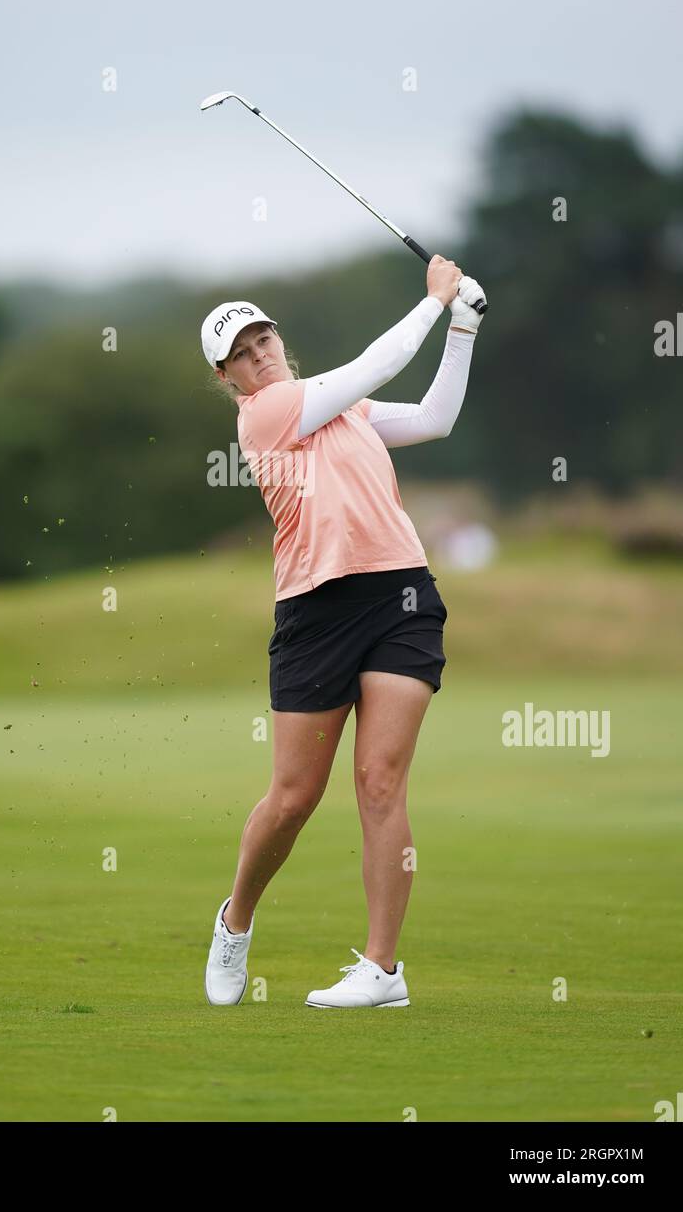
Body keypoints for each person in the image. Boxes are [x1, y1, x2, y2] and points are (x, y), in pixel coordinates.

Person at [199, 256, 487, 1008]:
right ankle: (235, 920)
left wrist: (463, 327)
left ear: (279, 340)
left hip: (400, 596)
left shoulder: (346, 410)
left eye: (264, 340)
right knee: (295, 797)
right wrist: (434, 302)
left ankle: (383, 971)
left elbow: (434, 419)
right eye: (242, 354)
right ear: (228, 377)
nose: (260, 356)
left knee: (380, 782)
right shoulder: (265, 415)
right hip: (315, 611)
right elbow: (371, 365)